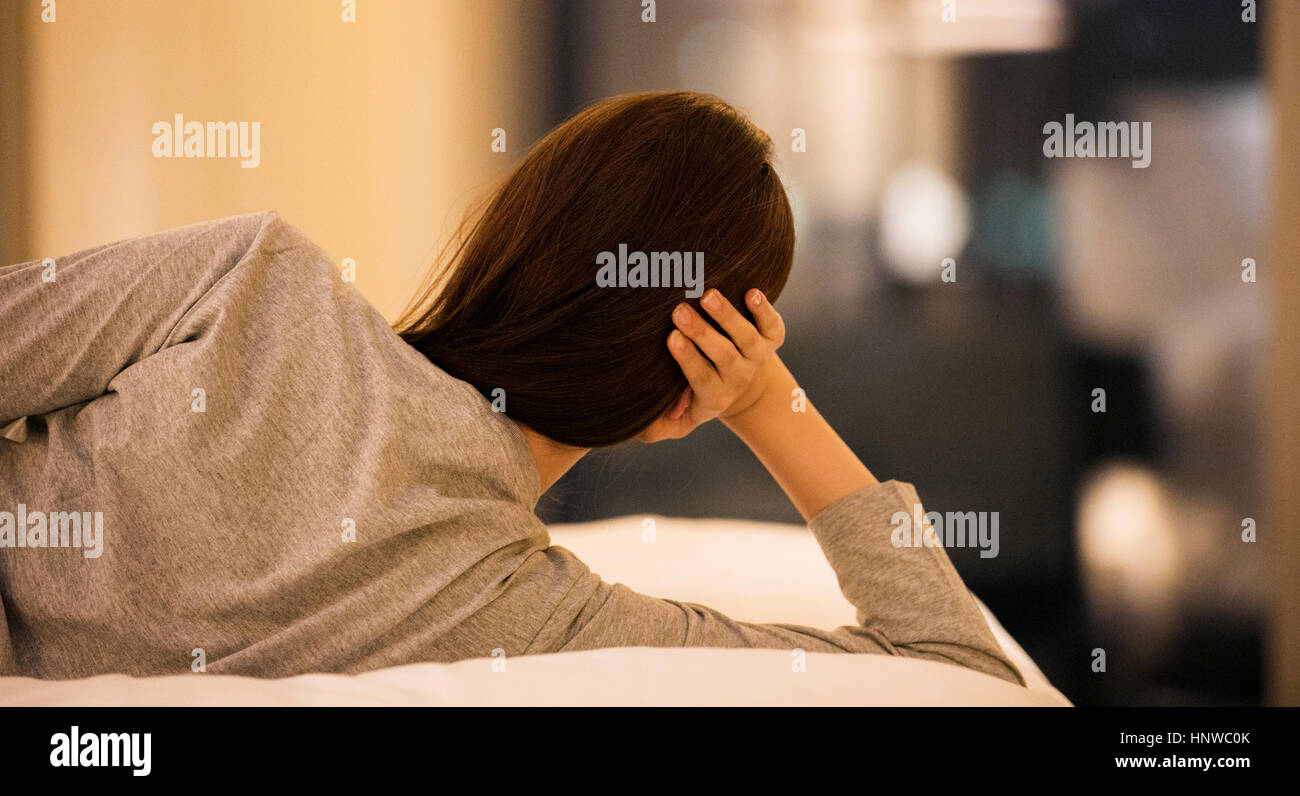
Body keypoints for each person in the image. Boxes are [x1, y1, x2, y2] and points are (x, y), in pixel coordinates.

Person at [0, 91, 1024, 686]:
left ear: (509, 230)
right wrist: (765, 400)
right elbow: (947, 662)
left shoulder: (256, 279)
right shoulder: (524, 616)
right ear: (679, 397)